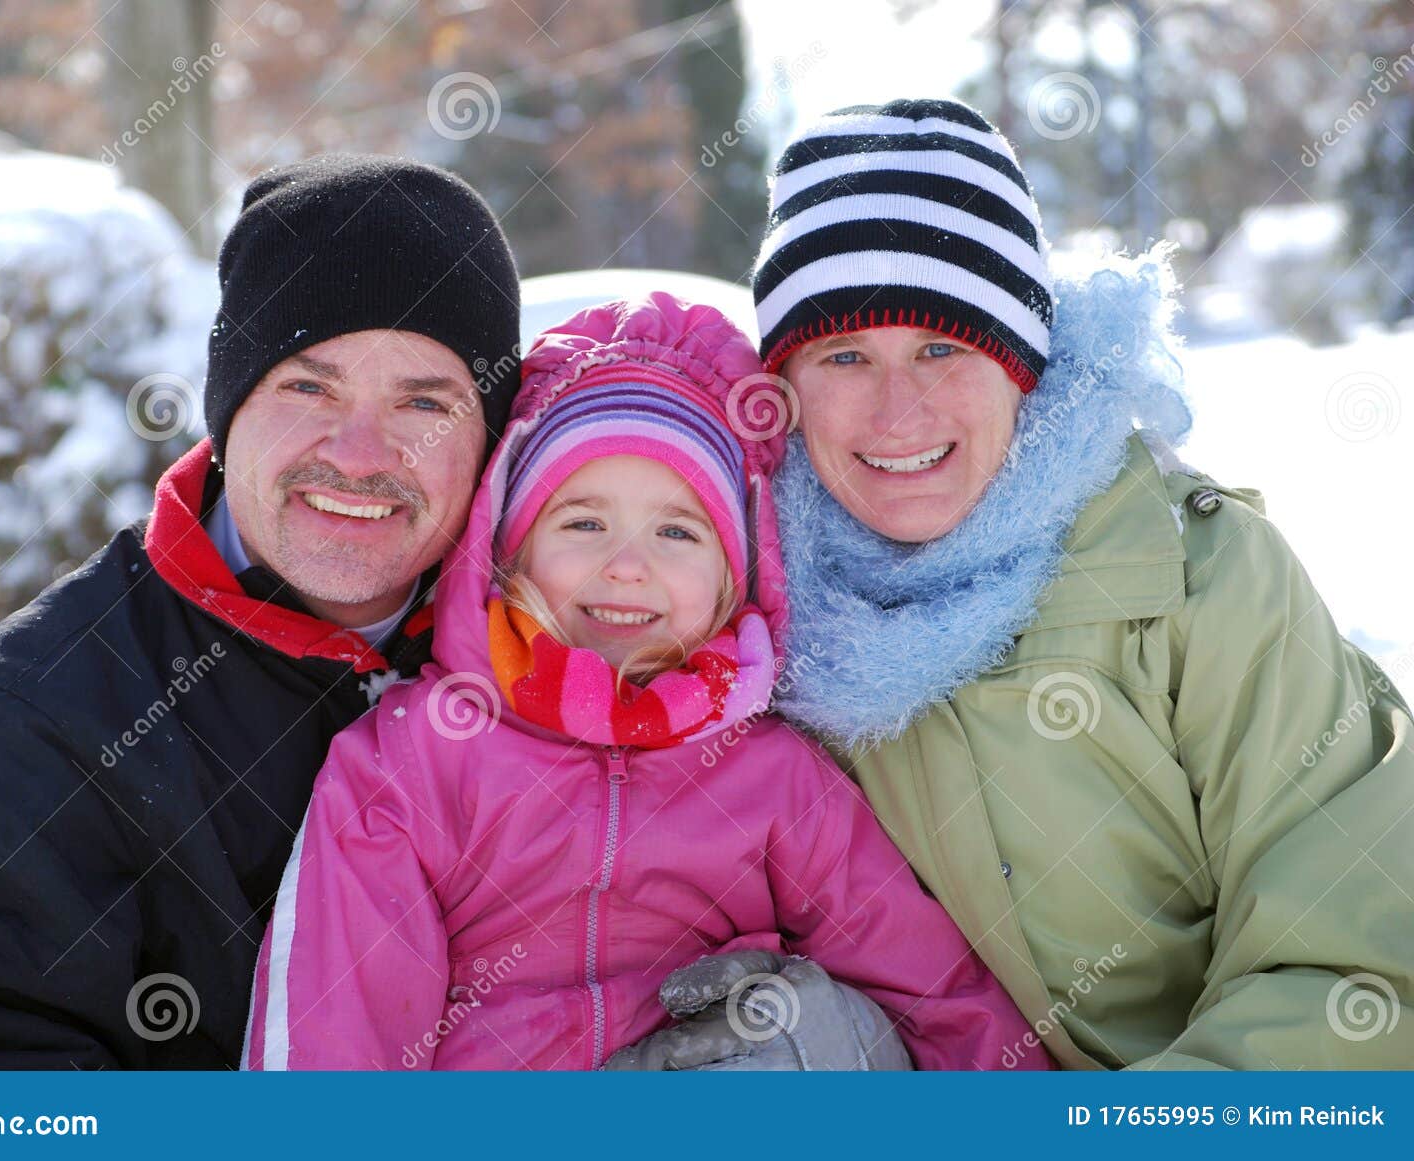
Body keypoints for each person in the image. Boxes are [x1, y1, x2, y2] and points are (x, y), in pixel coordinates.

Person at [619, 98, 1414, 1070]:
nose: (896, 408)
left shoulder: (1194, 577)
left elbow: (1350, 965)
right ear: (785, 385)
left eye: (942, 347)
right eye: (844, 354)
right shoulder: (739, 618)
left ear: (1022, 366)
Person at [0, 155, 521, 1068]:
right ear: (229, 413)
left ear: (489, 439)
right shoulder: (43, 716)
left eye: (424, 402)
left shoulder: (565, 673)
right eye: (309, 387)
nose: (357, 453)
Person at [241, 293, 1050, 1071]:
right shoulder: (417, 758)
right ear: (510, 547)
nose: (627, 565)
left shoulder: (775, 778)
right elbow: (336, 1031)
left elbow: (938, 994)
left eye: (677, 530)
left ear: (734, 577)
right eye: (583, 522)